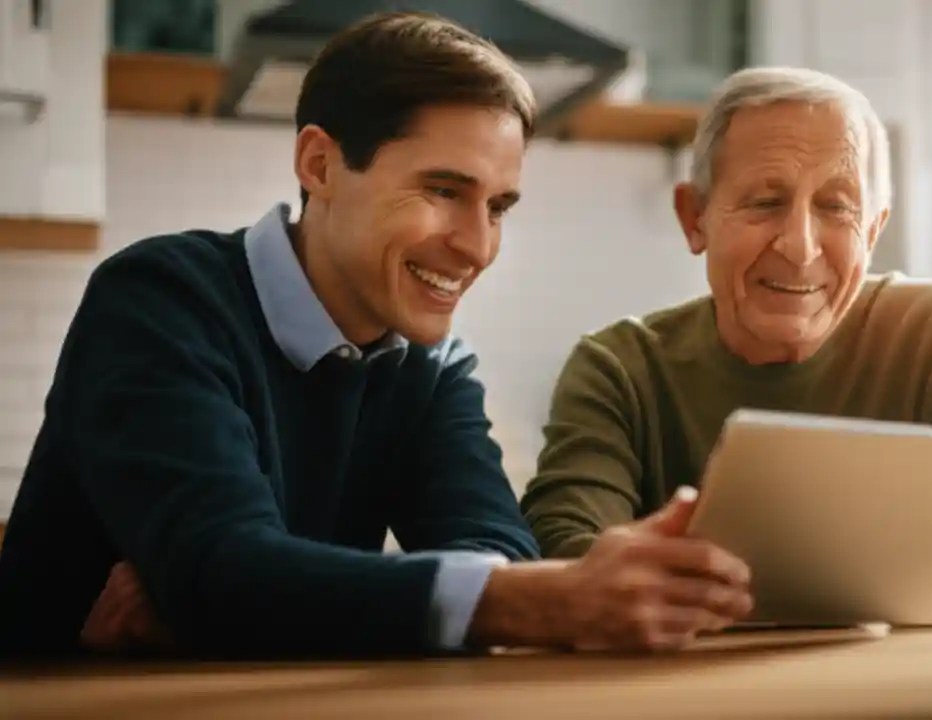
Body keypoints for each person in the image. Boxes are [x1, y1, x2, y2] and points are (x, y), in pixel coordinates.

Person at [0, 12, 752, 658]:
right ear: (319, 164)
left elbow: (494, 550)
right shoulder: (161, 301)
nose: (477, 246)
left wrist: (243, 605)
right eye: (443, 190)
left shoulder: (429, 364)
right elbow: (223, 569)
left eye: (498, 208)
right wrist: (233, 595)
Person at [521, 67, 932, 621]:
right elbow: (565, 559)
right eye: (765, 203)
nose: (801, 246)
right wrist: (888, 578)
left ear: (874, 229)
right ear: (695, 218)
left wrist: (815, 582)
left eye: (837, 208)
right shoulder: (619, 367)